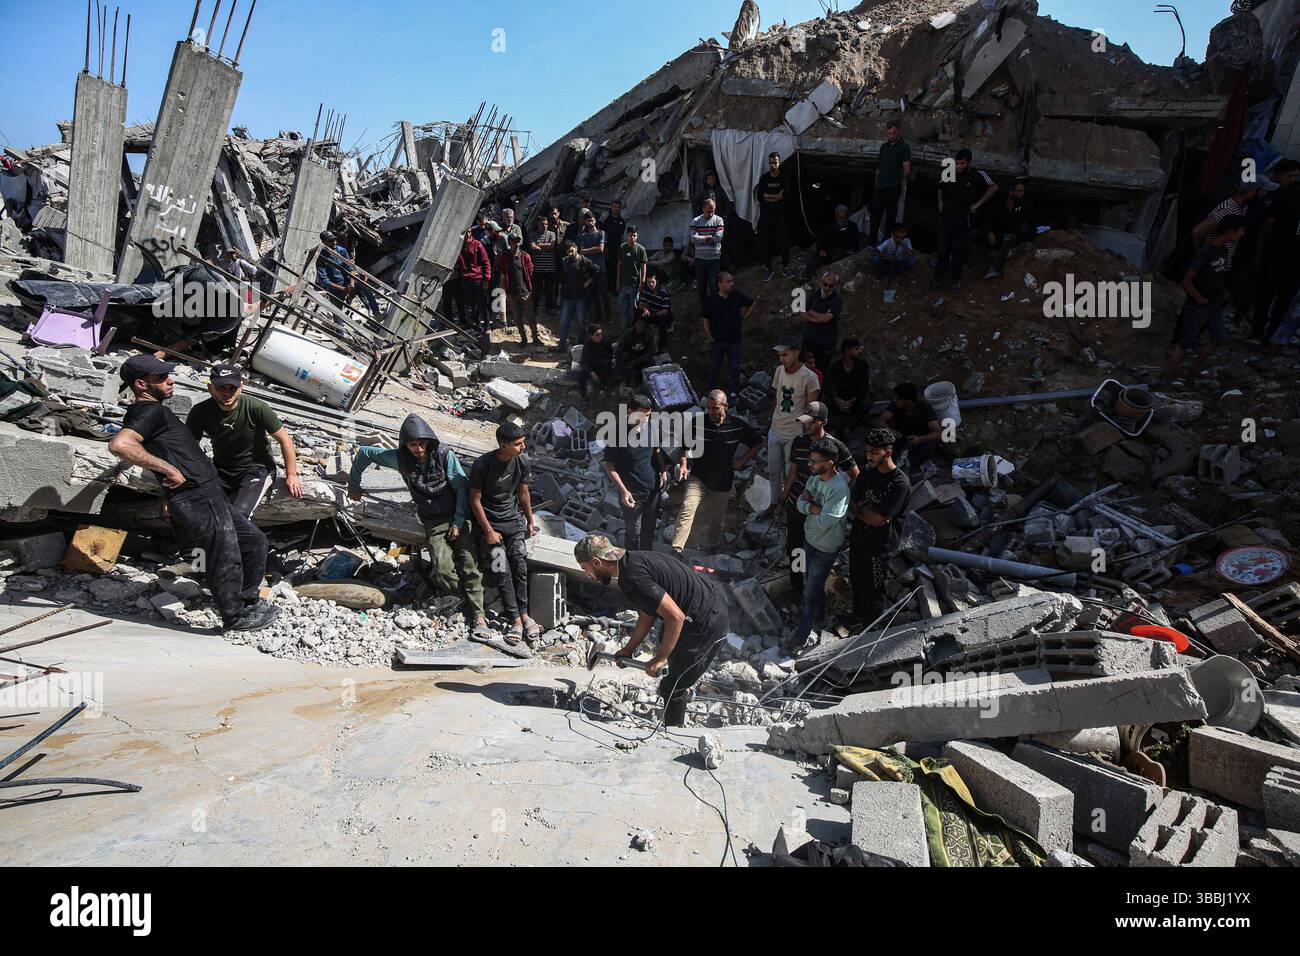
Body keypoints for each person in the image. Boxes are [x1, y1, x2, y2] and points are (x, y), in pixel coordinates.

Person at [108, 355, 278, 632]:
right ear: (141, 385)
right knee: (225, 553)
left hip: (209, 491)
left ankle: (247, 599)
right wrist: (169, 470)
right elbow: (120, 445)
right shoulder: (147, 412)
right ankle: (234, 617)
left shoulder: (157, 411)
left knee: (253, 541)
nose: (170, 380)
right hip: (196, 495)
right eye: (161, 378)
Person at [347, 414, 486, 635]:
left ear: (429, 442)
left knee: (469, 563)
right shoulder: (399, 459)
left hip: (459, 515)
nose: (419, 449)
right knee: (442, 566)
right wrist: (353, 484)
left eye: (422, 444)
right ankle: (462, 602)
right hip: (434, 520)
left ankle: (479, 615)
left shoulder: (444, 456)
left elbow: (462, 489)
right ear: (405, 445)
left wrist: (458, 522)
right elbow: (365, 453)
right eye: (413, 445)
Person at [574, 534, 730, 727]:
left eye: (585, 569)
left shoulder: (634, 577)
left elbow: (676, 617)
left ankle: (672, 739)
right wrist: (628, 649)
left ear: (597, 562)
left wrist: (660, 658)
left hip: (705, 621)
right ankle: (682, 691)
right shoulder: (631, 562)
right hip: (703, 608)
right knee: (667, 643)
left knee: (672, 687)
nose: (587, 574)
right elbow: (647, 615)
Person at [186, 364, 304, 519]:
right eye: (221, 388)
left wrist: (292, 474)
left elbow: (285, 440)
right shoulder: (200, 411)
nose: (226, 393)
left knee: (240, 514)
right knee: (198, 508)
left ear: (240, 388)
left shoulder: (256, 408)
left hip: (256, 468)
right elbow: (188, 446)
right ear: (210, 388)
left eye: (231, 388)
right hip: (221, 468)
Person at [468, 422, 540, 646]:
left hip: (513, 524)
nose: (523, 447)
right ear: (503, 445)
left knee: (519, 565)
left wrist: (529, 520)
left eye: (523, 442)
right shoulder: (482, 465)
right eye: (518, 444)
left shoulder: (523, 461)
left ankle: (525, 614)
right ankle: (515, 620)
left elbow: (523, 492)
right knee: (502, 571)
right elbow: (474, 500)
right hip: (492, 527)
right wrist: (488, 531)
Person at [780, 401, 858, 596]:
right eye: (805, 421)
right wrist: (781, 500)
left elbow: (855, 473)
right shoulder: (799, 441)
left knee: (815, 554)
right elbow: (793, 471)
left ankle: (815, 592)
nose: (807, 425)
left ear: (824, 422)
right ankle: (797, 588)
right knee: (796, 549)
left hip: (820, 512)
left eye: (812, 422)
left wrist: (839, 498)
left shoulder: (836, 446)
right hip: (797, 504)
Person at [672, 389, 762, 552]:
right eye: (709, 408)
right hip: (698, 477)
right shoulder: (697, 423)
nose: (711, 412)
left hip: (722, 482)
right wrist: (684, 465)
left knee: (716, 519)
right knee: (687, 508)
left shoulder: (737, 426)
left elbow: (758, 442)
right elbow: (684, 447)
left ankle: (712, 546)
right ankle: (677, 548)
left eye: (715, 408)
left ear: (725, 406)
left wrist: (742, 461)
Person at [1163, 215, 1247, 381]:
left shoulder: (1223, 249)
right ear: (1230, 232)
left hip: (1214, 304)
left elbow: (1218, 275)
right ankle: (1168, 376)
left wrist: (1223, 291)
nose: (1242, 234)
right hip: (1199, 305)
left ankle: (1194, 368)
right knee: (1185, 342)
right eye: (1241, 231)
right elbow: (1186, 281)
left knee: (1218, 338)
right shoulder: (1206, 252)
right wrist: (1199, 299)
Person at [786, 441, 850, 653]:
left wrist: (811, 506)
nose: (809, 464)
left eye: (814, 461)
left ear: (830, 463)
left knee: (811, 591)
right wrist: (814, 507)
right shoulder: (814, 478)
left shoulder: (839, 489)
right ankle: (820, 616)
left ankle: (801, 636)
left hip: (826, 547)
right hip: (810, 539)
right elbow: (799, 503)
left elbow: (826, 520)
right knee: (810, 580)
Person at [848, 428, 911, 628]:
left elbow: (878, 520)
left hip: (881, 543)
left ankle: (872, 626)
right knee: (857, 578)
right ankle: (857, 617)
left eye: (875, 452)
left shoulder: (899, 483)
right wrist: (864, 513)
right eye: (868, 451)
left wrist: (863, 512)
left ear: (888, 453)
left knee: (875, 585)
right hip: (859, 536)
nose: (869, 456)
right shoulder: (867, 472)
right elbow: (853, 502)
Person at [603, 395, 674, 552]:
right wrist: (623, 491)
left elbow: (656, 450)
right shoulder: (617, 433)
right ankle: (633, 566)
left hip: (653, 490)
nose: (645, 420)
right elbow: (609, 465)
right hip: (631, 494)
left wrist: (663, 471)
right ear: (630, 411)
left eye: (648, 416)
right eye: (641, 415)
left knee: (648, 533)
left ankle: (647, 564)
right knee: (633, 534)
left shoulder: (651, 427)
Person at [761, 336, 821, 518]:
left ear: (796, 353)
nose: (782, 359)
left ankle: (786, 506)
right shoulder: (779, 371)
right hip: (776, 429)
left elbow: (813, 410)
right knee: (773, 471)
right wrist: (772, 422)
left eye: (785, 355)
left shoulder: (810, 378)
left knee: (790, 473)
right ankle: (773, 504)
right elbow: (776, 398)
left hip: (794, 433)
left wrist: (803, 431)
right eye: (779, 355)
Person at [934, 148, 997, 293]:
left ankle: (956, 280)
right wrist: (940, 203)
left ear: (969, 162)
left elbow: (993, 187)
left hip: (963, 222)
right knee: (942, 251)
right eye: (957, 163)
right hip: (946, 220)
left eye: (962, 163)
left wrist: (978, 204)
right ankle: (938, 279)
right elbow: (940, 187)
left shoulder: (977, 175)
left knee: (958, 253)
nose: (959, 166)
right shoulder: (949, 172)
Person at [1250, 160, 1300, 342]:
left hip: (1292, 262)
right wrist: (1259, 253)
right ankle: (1258, 333)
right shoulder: (1283, 196)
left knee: (1281, 301)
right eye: (1290, 175)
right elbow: (1266, 226)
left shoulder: (1291, 194)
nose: (1293, 179)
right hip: (1276, 256)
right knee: (1266, 296)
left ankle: (1268, 337)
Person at [876, 382, 943, 477]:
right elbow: (881, 421)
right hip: (901, 440)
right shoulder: (895, 405)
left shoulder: (924, 408)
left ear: (909, 400)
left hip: (920, 441)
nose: (895, 401)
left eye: (899, 399)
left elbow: (937, 432)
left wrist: (920, 439)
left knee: (928, 447)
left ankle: (911, 470)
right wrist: (890, 431)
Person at [703, 271, 753, 393]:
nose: (732, 284)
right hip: (717, 341)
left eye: (732, 281)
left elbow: (751, 303)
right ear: (720, 284)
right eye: (728, 281)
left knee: (735, 369)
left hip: (734, 341)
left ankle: (734, 394)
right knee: (714, 369)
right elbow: (705, 319)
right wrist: (709, 336)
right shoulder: (712, 300)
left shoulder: (737, 296)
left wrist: (745, 317)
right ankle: (712, 393)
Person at [983, 180, 1038, 279]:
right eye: (1019, 191)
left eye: (1023, 191)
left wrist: (1029, 238)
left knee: (1009, 238)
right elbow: (985, 220)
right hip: (998, 236)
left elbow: (1033, 223)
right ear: (1010, 191)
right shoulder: (999, 204)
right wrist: (989, 233)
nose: (1022, 193)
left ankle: (994, 268)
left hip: (1015, 236)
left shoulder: (1024, 204)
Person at [870, 119, 912, 243]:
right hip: (880, 187)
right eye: (889, 133)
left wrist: (897, 180)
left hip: (893, 186)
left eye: (893, 133)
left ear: (898, 132)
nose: (891, 136)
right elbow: (880, 166)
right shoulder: (884, 147)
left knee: (890, 217)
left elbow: (907, 169)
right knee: (875, 216)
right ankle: (871, 244)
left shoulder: (904, 147)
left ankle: (886, 243)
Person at [755, 151, 793, 281]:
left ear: (779, 162)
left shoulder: (784, 178)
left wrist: (769, 196)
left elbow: (785, 196)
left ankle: (785, 268)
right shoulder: (764, 178)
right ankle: (768, 269)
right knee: (765, 241)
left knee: (783, 241)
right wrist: (776, 196)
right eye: (770, 163)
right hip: (766, 216)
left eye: (775, 162)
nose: (772, 165)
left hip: (780, 215)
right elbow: (760, 196)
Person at [495, 233, 538, 346]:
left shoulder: (525, 256)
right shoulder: (505, 257)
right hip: (511, 292)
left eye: (518, 241)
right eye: (514, 241)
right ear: (509, 243)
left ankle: (535, 338)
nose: (516, 244)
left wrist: (529, 286)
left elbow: (530, 269)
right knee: (517, 318)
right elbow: (502, 270)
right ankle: (523, 339)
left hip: (524, 291)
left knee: (531, 316)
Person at [823, 338, 871, 437]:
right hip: (839, 400)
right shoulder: (835, 367)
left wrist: (852, 401)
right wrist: (838, 400)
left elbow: (865, 387)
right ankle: (831, 429)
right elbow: (828, 387)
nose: (860, 351)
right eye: (856, 349)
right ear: (847, 351)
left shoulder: (862, 366)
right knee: (824, 402)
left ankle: (850, 429)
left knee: (865, 404)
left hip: (854, 400)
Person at [555, 240, 598, 352]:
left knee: (581, 322)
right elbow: (561, 280)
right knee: (564, 321)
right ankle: (561, 345)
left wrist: (587, 283)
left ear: (576, 248)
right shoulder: (565, 262)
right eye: (567, 252)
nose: (570, 254)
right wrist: (559, 295)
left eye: (571, 251)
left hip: (581, 297)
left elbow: (597, 271)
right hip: (568, 296)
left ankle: (579, 346)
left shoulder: (584, 261)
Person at [800, 205, 860, 284]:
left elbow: (855, 240)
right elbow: (820, 239)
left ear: (846, 214)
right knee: (815, 258)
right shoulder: (829, 225)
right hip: (828, 251)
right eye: (837, 212)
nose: (839, 215)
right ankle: (805, 277)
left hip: (842, 251)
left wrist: (851, 251)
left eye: (842, 212)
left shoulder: (852, 226)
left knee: (837, 258)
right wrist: (821, 249)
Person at [800, 271, 843, 373]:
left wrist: (811, 312)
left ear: (835, 286)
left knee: (820, 370)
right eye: (825, 284)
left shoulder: (837, 299)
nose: (827, 287)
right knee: (803, 368)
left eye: (830, 285)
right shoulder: (814, 294)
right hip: (809, 339)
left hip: (825, 342)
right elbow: (803, 312)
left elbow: (827, 319)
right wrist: (820, 317)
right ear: (821, 282)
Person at [451, 227, 492, 336]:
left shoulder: (477, 244)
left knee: (482, 304)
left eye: (469, 232)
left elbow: (486, 261)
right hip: (466, 279)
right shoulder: (458, 246)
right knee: (471, 304)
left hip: (478, 279)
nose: (467, 234)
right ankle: (477, 326)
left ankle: (487, 326)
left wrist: (487, 278)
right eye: (465, 232)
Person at [690, 198, 725, 309]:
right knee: (701, 287)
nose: (711, 213)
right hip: (700, 259)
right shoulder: (696, 221)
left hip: (714, 258)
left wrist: (701, 238)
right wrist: (706, 237)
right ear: (703, 209)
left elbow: (719, 237)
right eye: (709, 211)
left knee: (714, 285)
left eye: (713, 210)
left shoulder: (718, 220)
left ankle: (717, 308)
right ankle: (705, 310)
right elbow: (693, 239)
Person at [577, 209, 608, 323]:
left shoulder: (601, 233)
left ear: (595, 221)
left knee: (604, 294)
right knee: (593, 295)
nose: (590, 223)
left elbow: (601, 249)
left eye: (592, 220)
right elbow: (581, 251)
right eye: (588, 221)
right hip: (589, 270)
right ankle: (598, 317)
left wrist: (588, 250)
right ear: (585, 222)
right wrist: (593, 249)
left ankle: (607, 317)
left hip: (601, 268)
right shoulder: (583, 236)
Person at [616, 224, 648, 332]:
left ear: (637, 236)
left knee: (632, 309)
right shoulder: (622, 248)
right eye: (630, 235)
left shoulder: (641, 249)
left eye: (634, 235)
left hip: (634, 284)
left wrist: (642, 283)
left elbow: (644, 267)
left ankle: (632, 330)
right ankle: (625, 330)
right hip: (623, 284)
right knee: (622, 308)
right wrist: (617, 281)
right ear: (627, 235)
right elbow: (619, 266)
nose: (632, 238)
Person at [571, 325, 614, 399]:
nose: (600, 337)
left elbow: (611, 355)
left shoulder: (605, 342)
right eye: (597, 335)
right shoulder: (588, 345)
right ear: (591, 336)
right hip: (592, 367)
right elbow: (583, 361)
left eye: (601, 334)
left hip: (604, 366)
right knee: (581, 375)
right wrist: (591, 372)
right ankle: (584, 397)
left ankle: (604, 388)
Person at [529, 214, 559, 315]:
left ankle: (550, 308)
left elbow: (552, 245)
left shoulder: (552, 234)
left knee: (550, 290)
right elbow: (532, 247)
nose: (545, 226)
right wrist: (545, 247)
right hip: (537, 268)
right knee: (536, 290)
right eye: (542, 224)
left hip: (550, 268)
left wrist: (538, 245)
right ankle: (534, 309)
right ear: (538, 224)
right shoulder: (533, 235)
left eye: (546, 224)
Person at [617, 310, 657, 386]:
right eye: (639, 326)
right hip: (630, 355)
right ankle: (628, 377)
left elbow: (650, 353)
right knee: (623, 357)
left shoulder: (649, 335)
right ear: (635, 324)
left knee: (651, 362)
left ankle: (638, 377)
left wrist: (635, 362)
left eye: (643, 327)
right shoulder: (628, 334)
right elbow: (619, 350)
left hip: (642, 357)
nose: (641, 329)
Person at [639, 271, 673, 353]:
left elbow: (665, 311)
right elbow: (641, 303)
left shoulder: (663, 292)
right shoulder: (646, 291)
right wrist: (645, 309)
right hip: (651, 313)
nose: (651, 284)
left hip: (661, 314)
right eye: (649, 282)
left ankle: (662, 346)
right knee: (638, 315)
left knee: (663, 322)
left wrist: (654, 315)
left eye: (652, 282)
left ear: (656, 281)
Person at [315, 230, 350, 307]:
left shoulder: (341, 251)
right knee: (338, 314)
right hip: (335, 289)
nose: (334, 242)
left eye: (334, 240)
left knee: (364, 286)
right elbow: (324, 280)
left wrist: (352, 284)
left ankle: (375, 312)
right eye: (331, 241)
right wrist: (343, 289)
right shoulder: (321, 257)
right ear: (324, 242)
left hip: (347, 283)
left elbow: (351, 268)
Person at [548, 205, 571, 310]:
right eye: (552, 214)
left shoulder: (566, 225)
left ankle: (565, 301)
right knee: (554, 281)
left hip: (565, 257)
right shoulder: (548, 227)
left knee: (566, 280)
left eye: (555, 213)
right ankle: (554, 303)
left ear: (559, 214)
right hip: (553, 258)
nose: (554, 216)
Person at [602, 200, 627, 295]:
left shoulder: (622, 220)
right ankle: (610, 288)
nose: (616, 209)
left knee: (619, 268)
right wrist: (605, 247)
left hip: (619, 248)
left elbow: (623, 235)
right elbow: (603, 234)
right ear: (611, 208)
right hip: (609, 247)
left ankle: (617, 288)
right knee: (610, 268)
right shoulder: (606, 219)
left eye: (618, 207)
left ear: (620, 208)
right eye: (614, 207)